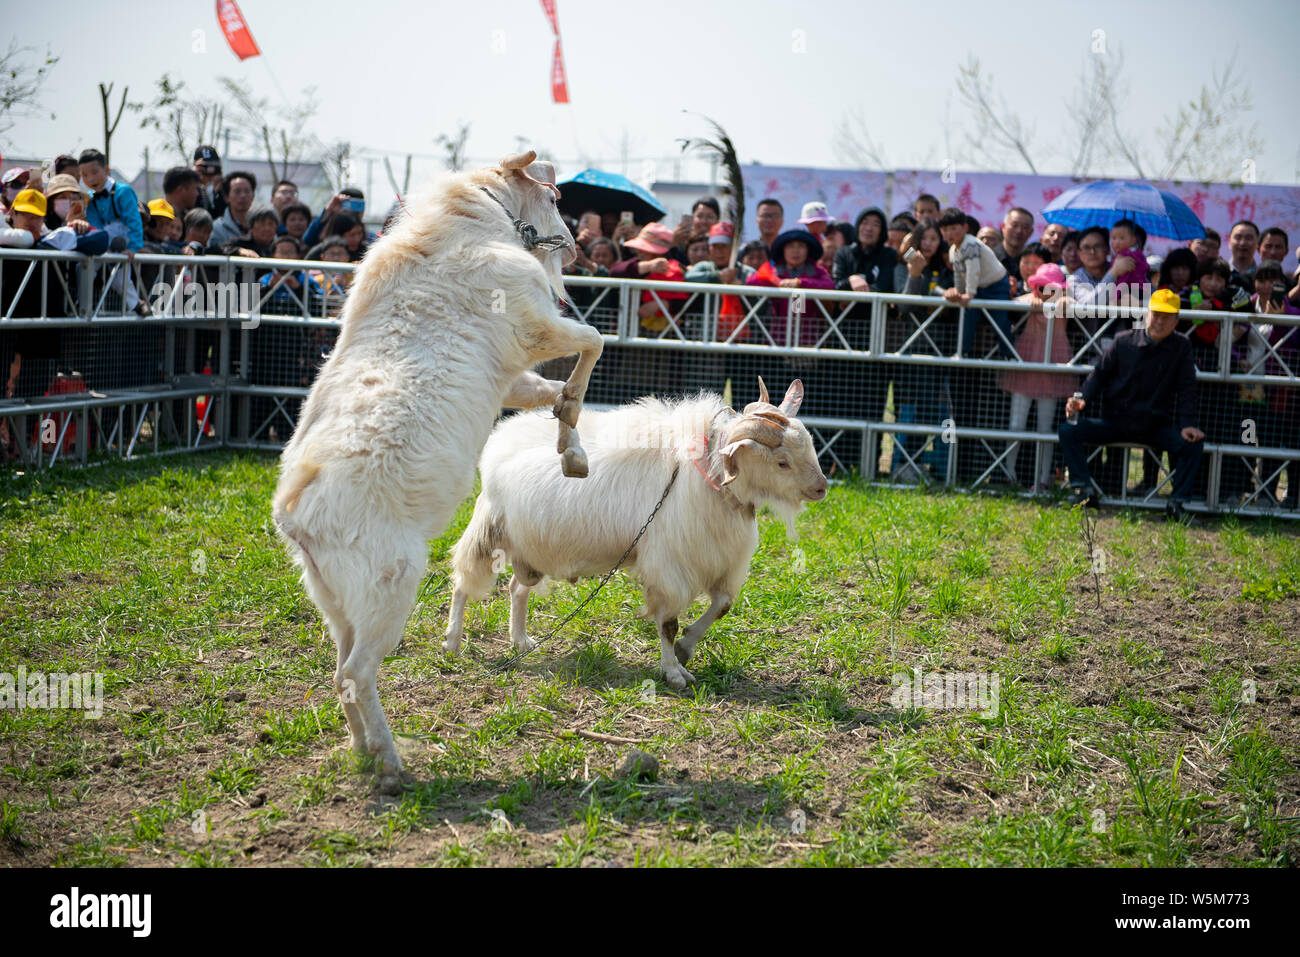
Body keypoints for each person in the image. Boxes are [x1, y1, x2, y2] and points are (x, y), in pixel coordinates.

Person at [1059, 289, 1204, 520]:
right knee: (1068, 430)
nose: (1160, 321)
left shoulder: (1181, 345)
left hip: (1154, 426)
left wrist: (1188, 424)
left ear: (1176, 320)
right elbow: (1099, 375)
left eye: (1167, 316)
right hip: (1115, 421)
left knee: (1192, 443)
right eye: (1156, 314)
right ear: (1147, 314)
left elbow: (1188, 387)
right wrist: (1082, 398)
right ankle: (1083, 489)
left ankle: (1177, 504)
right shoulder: (1123, 340)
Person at [999, 264, 1080, 491]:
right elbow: (1011, 304)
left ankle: (1043, 479)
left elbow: (1076, 306)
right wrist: (1030, 303)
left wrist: (1063, 301)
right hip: (1025, 368)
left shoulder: (1065, 302)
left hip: (1053, 371)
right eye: (1042, 286)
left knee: (1045, 429)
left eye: (1052, 287)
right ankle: (1009, 473)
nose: (1046, 291)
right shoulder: (1029, 299)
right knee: (1016, 425)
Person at [890, 218, 955, 480]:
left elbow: (952, 301)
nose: (928, 243)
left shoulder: (947, 269)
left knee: (933, 411)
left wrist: (947, 295)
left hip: (941, 350)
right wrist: (914, 274)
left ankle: (933, 468)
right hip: (911, 350)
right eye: (924, 238)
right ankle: (905, 465)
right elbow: (904, 306)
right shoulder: (902, 267)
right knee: (909, 410)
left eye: (934, 238)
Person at [935, 206, 1011, 357]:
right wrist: (959, 291)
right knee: (968, 315)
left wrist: (968, 294)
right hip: (978, 288)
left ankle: (1008, 354)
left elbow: (973, 270)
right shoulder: (952, 250)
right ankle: (964, 351)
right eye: (945, 229)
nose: (949, 233)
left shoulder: (970, 243)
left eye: (953, 228)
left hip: (997, 285)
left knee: (1000, 319)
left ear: (965, 228)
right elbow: (958, 273)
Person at [746, 228, 834, 347]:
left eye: (801, 246)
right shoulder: (774, 271)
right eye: (790, 246)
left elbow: (829, 286)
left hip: (810, 342)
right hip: (776, 342)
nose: (795, 251)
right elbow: (751, 281)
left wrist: (800, 283)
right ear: (783, 250)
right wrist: (777, 283)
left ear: (808, 250)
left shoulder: (817, 271)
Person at [208, 171, 258, 247]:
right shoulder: (216, 229)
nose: (243, 196)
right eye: (237, 191)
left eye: (247, 191)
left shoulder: (262, 227)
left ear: (253, 196)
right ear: (226, 197)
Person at [993, 207, 1035, 280]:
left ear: (1031, 232)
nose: (1019, 231)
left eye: (1025, 227)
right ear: (1003, 227)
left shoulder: (1035, 262)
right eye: (1014, 225)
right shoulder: (990, 256)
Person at [192, 145, 225, 218]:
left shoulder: (222, 191)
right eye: (204, 167)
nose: (208, 170)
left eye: (212, 166)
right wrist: (195, 180)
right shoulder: (192, 190)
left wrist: (217, 192)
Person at [1226, 220, 1259, 291]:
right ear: (1229, 242)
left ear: (1257, 243)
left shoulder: (1262, 277)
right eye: (1238, 237)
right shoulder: (1219, 273)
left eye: (1248, 238)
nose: (1243, 243)